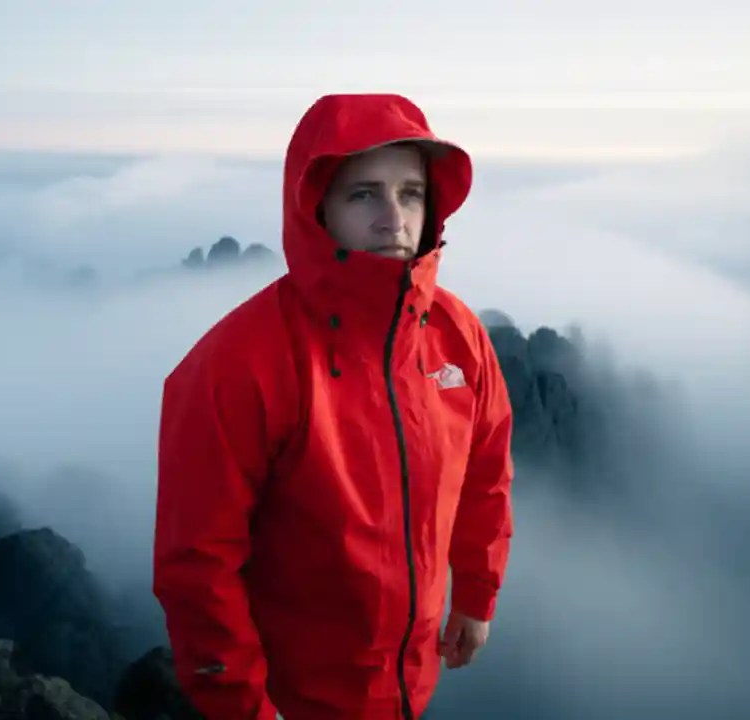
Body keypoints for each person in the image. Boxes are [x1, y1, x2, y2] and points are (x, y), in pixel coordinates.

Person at [153, 93, 515, 720]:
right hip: (289, 701)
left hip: (409, 686)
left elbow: (485, 476)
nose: (393, 220)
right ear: (315, 206)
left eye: (410, 193)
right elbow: (198, 565)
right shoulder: (238, 363)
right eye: (363, 194)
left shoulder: (457, 336)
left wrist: (476, 596)